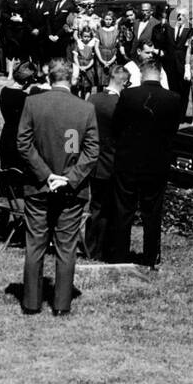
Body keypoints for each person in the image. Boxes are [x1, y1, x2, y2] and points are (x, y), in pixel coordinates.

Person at [16, 59, 99, 314]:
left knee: (35, 244)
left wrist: (46, 175)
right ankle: (61, 304)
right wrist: (69, 178)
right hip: (70, 189)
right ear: (72, 78)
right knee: (66, 247)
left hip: (39, 187)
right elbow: (92, 151)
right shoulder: (85, 108)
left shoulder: (32, 103)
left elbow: (23, 144)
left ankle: (31, 303)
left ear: (48, 77)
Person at [106, 59, 181, 269]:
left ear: (141, 74)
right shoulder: (173, 99)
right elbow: (173, 130)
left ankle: (120, 254)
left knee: (123, 209)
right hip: (156, 163)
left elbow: (116, 126)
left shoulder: (128, 95)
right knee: (152, 211)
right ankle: (151, 256)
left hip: (128, 160)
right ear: (160, 74)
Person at [85, 65, 127, 259]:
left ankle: (91, 246)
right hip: (112, 162)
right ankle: (102, 249)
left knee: (95, 206)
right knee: (108, 208)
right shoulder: (120, 105)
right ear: (124, 83)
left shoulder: (93, 99)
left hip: (93, 161)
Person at [24, 0, 53, 65]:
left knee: (43, 57)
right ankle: (35, 71)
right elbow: (26, 19)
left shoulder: (50, 5)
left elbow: (49, 22)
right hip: (32, 35)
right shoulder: (30, 4)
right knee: (34, 57)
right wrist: (31, 30)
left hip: (43, 36)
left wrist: (39, 30)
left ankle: (43, 71)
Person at [94, 9, 121, 91]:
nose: (108, 21)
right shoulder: (99, 31)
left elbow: (118, 48)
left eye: (110, 19)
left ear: (113, 20)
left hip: (112, 57)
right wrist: (102, 60)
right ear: (103, 20)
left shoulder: (116, 31)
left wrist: (110, 62)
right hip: (101, 57)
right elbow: (96, 47)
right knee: (100, 81)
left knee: (111, 80)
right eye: (106, 19)